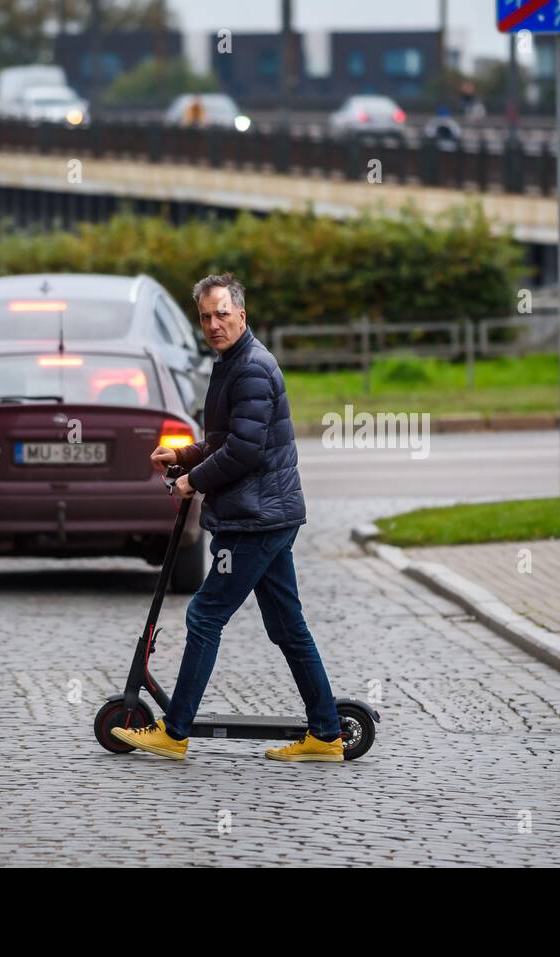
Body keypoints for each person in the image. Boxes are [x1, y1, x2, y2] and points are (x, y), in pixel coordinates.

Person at [110, 273, 344, 762]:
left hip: (254, 520)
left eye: (222, 314)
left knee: (205, 614)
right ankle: (325, 733)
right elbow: (225, 441)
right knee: (287, 625)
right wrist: (183, 456)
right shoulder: (234, 364)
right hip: (265, 517)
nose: (213, 324)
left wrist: (193, 482)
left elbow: (246, 450)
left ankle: (174, 732)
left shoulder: (252, 368)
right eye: (205, 317)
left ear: (242, 312)